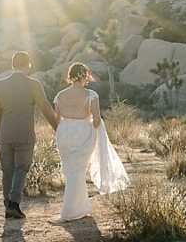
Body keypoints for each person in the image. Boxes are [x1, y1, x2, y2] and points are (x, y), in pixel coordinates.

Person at [53, 62, 130, 222]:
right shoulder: (91, 95)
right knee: (78, 170)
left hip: (64, 132)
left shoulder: (60, 95)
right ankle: (68, 212)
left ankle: (80, 208)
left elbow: (57, 119)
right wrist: (94, 130)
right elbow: (96, 119)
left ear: (70, 76)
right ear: (84, 76)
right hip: (82, 132)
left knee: (71, 170)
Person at [0, 51, 59, 221]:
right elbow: (45, 108)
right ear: (28, 65)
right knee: (21, 168)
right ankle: (14, 204)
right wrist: (59, 128)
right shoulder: (33, 84)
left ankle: (8, 207)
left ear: (12, 65)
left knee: (7, 171)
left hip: (5, 135)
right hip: (25, 135)